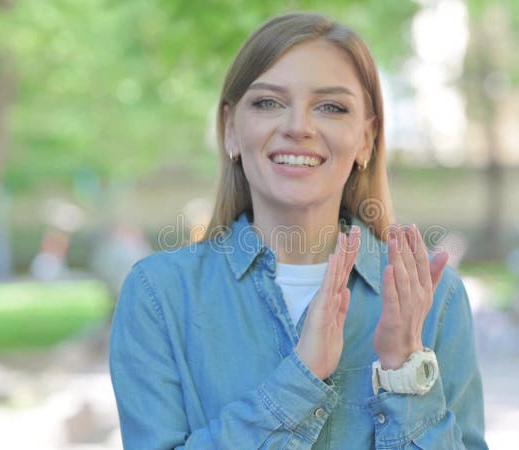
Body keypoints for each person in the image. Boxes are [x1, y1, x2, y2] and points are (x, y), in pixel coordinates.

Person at [109, 12, 488, 449]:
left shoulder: (435, 299)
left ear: (366, 139)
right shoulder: (160, 295)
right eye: (269, 102)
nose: (298, 127)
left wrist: (405, 370)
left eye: (331, 106)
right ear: (231, 129)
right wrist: (301, 378)